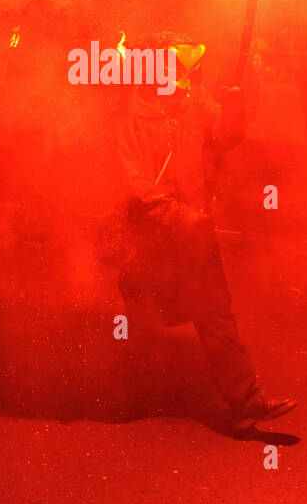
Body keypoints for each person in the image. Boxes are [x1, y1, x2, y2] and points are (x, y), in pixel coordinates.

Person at [113, 32, 294, 433]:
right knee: (146, 320)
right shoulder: (131, 120)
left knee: (215, 315)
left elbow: (227, 137)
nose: (182, 72)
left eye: (181, 66)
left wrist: (234, 106)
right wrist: (176, 215)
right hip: (152, 234)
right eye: (172, 66)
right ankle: (136, 393)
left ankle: (247, 402)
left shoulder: (193, 102)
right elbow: (135, 184)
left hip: (194, 228)